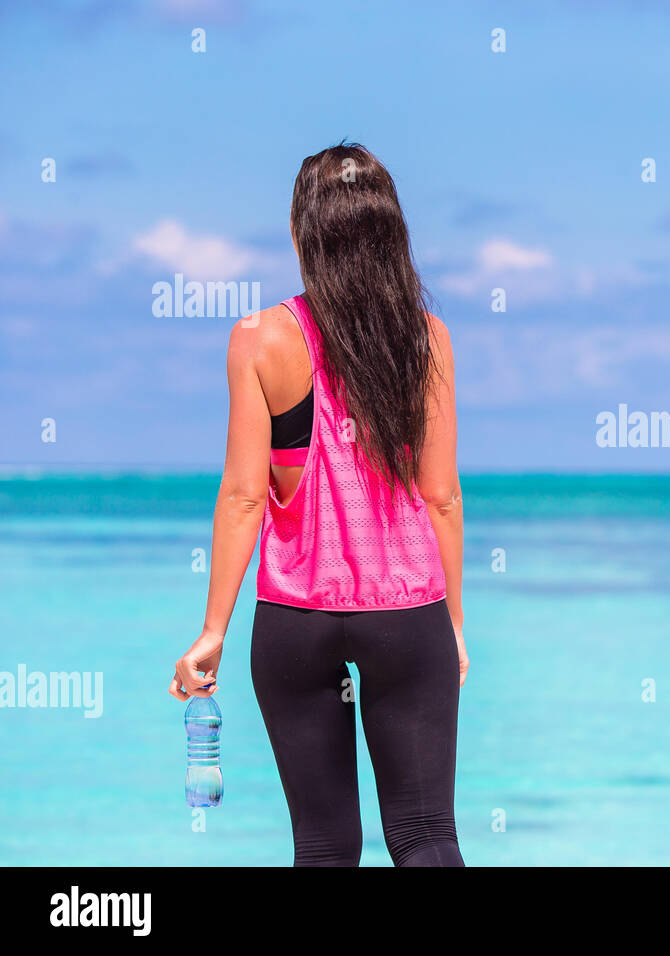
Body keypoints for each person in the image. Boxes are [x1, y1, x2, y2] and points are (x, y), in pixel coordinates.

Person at [169, 143, 468, 867]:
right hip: (405, 617)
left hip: (295, 622)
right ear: (391, 234)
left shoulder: (260, 339)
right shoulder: (425, 341)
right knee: (425, 838)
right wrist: (451, 625)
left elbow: (244, 495)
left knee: (325, 846)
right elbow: (441, 496)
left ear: (304, 234)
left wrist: (213, 629)